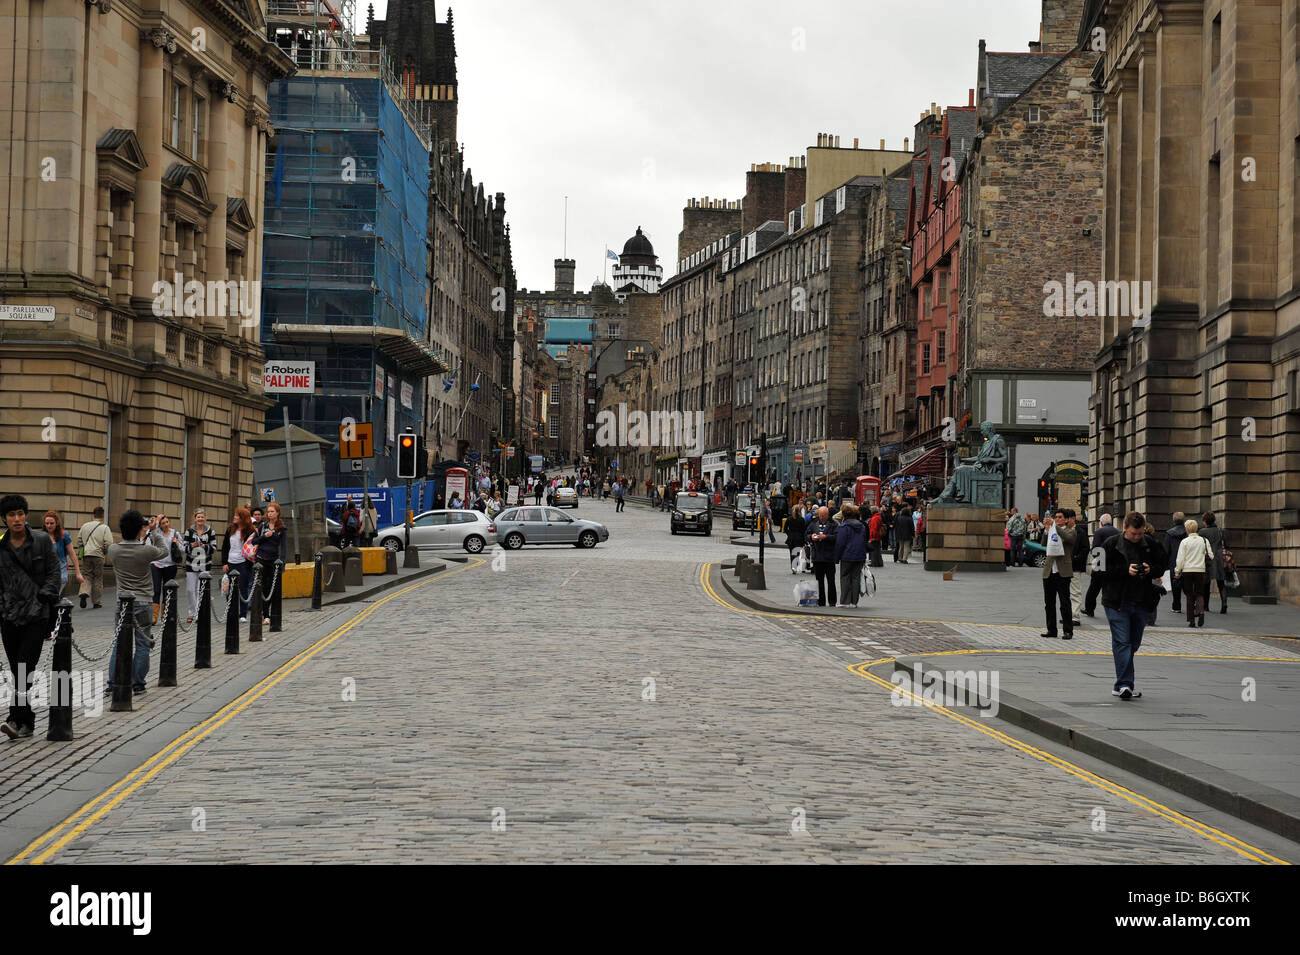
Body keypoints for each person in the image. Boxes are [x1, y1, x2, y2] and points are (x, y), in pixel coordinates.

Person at [0, 495, 62, 739]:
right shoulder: (1, 545)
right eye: (11, 515)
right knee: (18, 669)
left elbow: (54, 573)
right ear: (4, 519)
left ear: (25, 516)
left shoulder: (41, 541)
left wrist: (43, 596)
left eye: (20, 514)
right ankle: (26, 721)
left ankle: (15, 719)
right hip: (9, 616)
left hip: (36, 615)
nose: (17, 519)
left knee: (24, 667)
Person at [1098, 511, 1167, 699]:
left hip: (1142, 601)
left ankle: (1121, 682)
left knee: (1133, 643)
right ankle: (1124, 685)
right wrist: (1124, 571)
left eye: (1140, 534)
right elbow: (1097, 570)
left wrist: (1150, 569)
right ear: (1125, 528)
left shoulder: (1151, 544)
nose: (1137, 537)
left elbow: (1163, 565)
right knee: (1123, 641)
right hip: (1116, 601)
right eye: (1133, 534)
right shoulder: (1110, 544)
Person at [105, 510, 169, 699]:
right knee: (142, 644)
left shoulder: (114, 550)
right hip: (143, 601)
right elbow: (164, 551)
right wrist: (154, 531)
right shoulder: (146, 551)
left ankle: (113, 682)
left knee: (119, 644)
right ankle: (138, 683)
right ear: (139, 530)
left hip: (122, 602)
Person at [247, 502, 287, 629]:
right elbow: (254, 541)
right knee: (261, 586)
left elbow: (284, 547)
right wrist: (265, 536)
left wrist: (283, 563)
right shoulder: (262, 526)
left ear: (277, 513)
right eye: (268, 511)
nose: (269, 514)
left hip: (273, 560)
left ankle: (267, 613)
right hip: (261, 559)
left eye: (272, 511)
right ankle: (265, 615)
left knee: (271, 588)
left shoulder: (281, 528)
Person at [1040, 510, 1076, 640]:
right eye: (1056, 517)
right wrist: (1046, 529)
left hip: (1063, 571)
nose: (1057, 519)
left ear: (1066, 520)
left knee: (1064, 602)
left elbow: (1069, 538)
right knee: (1049, 603)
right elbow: (1043, 543)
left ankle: (1068, 630)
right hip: (1049, 570)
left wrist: (1054, 526)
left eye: (1060, 517)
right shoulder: (1052, 529)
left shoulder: (1070, 531)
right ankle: (1051, 629)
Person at [1174, 517, 1214, 627]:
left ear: (1187, 529)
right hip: (1200, 570)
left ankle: (1191, 621)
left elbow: (1180, 559)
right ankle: (1200, 610)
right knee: (1200, 593)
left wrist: (1177, 572)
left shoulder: (1184, 542)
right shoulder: (1204, 540)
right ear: (1196, 529)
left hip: (1187, 571)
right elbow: (1211, 555)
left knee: (1189, 595)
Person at [181, 508, 216, 624]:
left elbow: (214, 548)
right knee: (190, 590)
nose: (200, 519)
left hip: (205, 565)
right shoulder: (189, 531)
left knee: (200, 590)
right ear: (195, 519)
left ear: (205, 518)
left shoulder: (210, 531)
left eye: (202, 517)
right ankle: (192, 612)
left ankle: (199, 613)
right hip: (191, 564)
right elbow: (184, 547)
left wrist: (204, 546)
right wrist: (192, 545)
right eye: (198, 517)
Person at [221, 508, 255, 623]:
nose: (234, 517)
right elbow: (225, 547)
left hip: (243, 563)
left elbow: (253, 546)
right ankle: (231, 611)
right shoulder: (230, 529)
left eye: (237, 516)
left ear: (242, 518)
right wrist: (224, 562)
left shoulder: (250, 531)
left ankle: (243, 613)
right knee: (229, 589)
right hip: (231, 562)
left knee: (243, 588)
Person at [1083, 513, 1120, 616]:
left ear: (1101, 523)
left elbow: (1095, 549)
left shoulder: (1099, 531)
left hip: (1100, 563)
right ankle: (1113, 610)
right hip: (1113, 565)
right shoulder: (1118, 532)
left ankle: (1089, 609)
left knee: (1094, 588)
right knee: (1111, 588)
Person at [77, 506, 114, 609]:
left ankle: (84, 592)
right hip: (98, 555)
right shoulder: (105, 528)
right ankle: (96, 602)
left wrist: (83, 549)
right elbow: (109, 543)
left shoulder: (85, 526)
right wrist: (104, 551)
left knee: (87, 575)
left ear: (93, 515)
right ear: (103, 515)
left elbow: (79, 540)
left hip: (87, 554)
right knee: (98, 578)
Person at [149, 515, 182, 625]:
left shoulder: (175, 533)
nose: (166, 524)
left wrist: (177, 543)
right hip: (157, 563)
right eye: (163, 523)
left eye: (167, 522)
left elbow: (182, 547)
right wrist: (157, 521)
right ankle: (154, 616)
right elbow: (150, 535)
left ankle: (165, 615)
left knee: (167, 590)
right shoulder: (156, 532)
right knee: (156, 590)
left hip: (170, 565)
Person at [834, 504, 868, 607]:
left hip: (847, 555)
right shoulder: (861, 526)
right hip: (860, 556)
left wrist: (837, 557)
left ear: (844, 515)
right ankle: (854, 602)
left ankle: (845, 601)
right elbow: (864, 540)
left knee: (845, 577)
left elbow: (840, 543)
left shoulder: (844, 527)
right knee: (856, 578)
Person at [43, 510, 83, 595]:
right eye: (47, 523)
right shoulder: (41, 536)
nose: (49, 526)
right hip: (46, 571)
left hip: (61, 571)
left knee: (54, 595)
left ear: (57, 523)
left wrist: (78, 573)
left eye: (51, 523)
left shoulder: (63, 535)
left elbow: (72, 554)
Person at [1198, 511, 1229, 615]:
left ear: (1205, 521)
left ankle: (1206, 606)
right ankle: (1224, 604)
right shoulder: (1221, 531)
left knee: (1206, 582)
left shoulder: (1202, 532)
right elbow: (1227, 545)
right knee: (1221, 582)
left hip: (1207, 558)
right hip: (1219, 557)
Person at [807, 506, 838, 608]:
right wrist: (811, 537)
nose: (822, 517)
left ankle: (832, 602)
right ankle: (821, 601)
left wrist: (826, 537)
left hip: (829, 556)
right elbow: (807, 534)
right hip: (817, 556)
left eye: (824, 515)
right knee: (819, 581)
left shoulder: (833, 524)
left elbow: (836, 537)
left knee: (831, 580)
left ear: (828, 515)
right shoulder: (813, 523)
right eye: (820, 515)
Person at [1163, 511, 1187, 614]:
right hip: (1187, 562)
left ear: (1173, 520)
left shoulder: (1169, 533)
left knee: (1175, 585)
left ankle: (1176, 606)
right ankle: (1192, 604)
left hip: (1173, 562)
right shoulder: (1188, 532)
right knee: (1188, 585)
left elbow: (1166, 550)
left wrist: (1164, 564)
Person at [784, 504, 806, 572]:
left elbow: (785, 528)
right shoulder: (801, 519)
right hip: (799, 537)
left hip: (791, 537)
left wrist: (789, 533)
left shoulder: (789, 518)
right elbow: (803, 530)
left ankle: (793, 566)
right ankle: (795, 565)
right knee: (797, 553)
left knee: (791, 553)